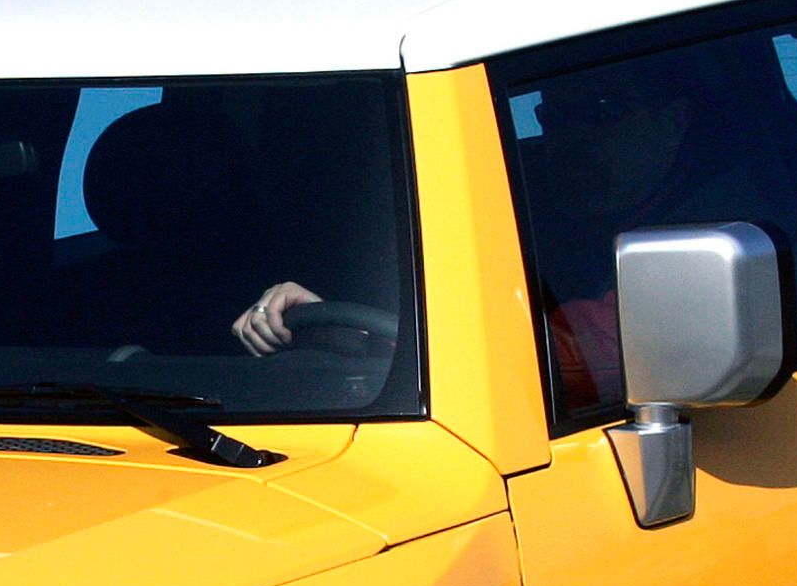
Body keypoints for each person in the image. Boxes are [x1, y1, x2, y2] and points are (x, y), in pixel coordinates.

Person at [233, 75, 709, 406]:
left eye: (602, 112)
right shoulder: (533, 194)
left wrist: (382, 340)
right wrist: (331, 321)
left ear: (674, 120)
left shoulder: (719, 225)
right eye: (557, 115)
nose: (573, 135)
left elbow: (571, 359)